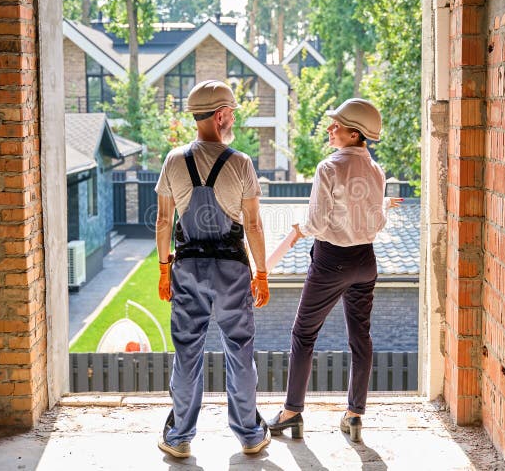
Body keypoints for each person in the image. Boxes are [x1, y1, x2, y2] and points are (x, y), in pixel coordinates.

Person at [266, 98, 401, 442]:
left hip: (331, 261)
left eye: (336, 125)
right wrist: (382, 203)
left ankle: (292, 413)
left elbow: (315, 221)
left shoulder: (329, 167)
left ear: (354, 134)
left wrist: (298, 226)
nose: (330, 129)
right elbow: (377, 220)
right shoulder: (376, 170)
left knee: (303, 334)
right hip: (365, 261)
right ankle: (355, 415)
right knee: (361, 338)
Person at [155, 80, 271, 458]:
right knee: (239, 349)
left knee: (188, 350)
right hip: (231, 269)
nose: (233, 118)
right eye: (232, 113)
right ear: (220, 116)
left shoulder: (174, 160)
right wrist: (262, 273)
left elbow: (162, 221)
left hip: (187, 266)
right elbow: (253, 225)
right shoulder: (240, 163)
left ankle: (179, 438)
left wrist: (162, 269)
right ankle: (251, 435)